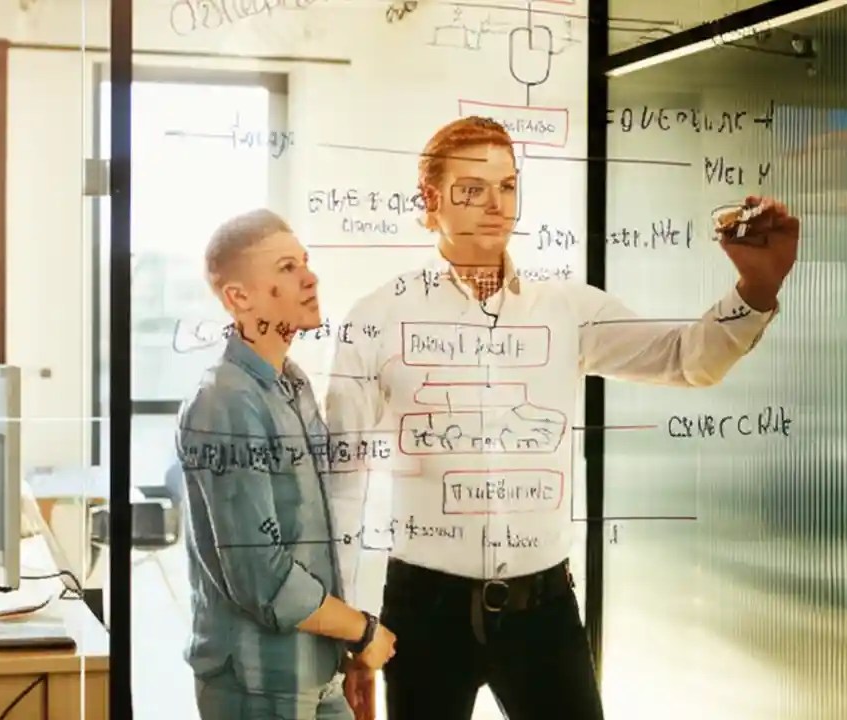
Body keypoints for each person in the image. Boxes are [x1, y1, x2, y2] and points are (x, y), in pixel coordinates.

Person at [325, 116, 800, 720]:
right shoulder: (377, 317)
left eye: (508, 186)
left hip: (542, 612)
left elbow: (685, 359)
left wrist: (755, 289)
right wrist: (348, 628)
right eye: (473, 189)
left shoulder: (565, 307)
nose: (496, 206)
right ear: (431, 199)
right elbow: (342, 481)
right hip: (423, 613)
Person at [177, 208, 398, 720]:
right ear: (239, 298)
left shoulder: (293, 384)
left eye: (305, 262)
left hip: (318, 671)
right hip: (258, 684)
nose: (310, 278)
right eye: (286, 268)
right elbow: (262, 576)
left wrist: (348, 653)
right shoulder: (225, 402)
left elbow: (314, 536)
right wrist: (363, 631)